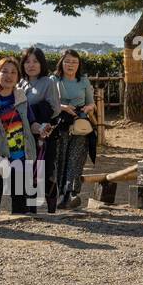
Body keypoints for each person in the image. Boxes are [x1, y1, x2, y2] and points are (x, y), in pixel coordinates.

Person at [0, 57, 39, 216]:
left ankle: (22, 230)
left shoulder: (21, 97)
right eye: (4, 71)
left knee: (20, 201)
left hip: (20, 155)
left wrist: (41, 129)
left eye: (14, 72)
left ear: (18, 77)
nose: (9, 75)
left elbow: (30, 122)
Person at [52, 49, 96, 209]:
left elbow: (92, 103)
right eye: (67, 61)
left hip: (80, 124)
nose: (71, 65)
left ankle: (71, 193)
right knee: (60, 160)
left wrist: (88, 108)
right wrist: (63, 107)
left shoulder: (83, 80)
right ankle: (59, 195)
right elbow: (49, 102)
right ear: (61, 63)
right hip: (60, 124)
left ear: (79, 64)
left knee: (76, 160)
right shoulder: (53, 80)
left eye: (74, 62)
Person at [21, 46, 61, 213]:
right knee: (28, 170)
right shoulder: (20, 83)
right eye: (27, 61)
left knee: (44, 169)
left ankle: (51, 205)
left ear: (42, 63)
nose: (31, 65)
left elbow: (56, 109)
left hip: (44, 133)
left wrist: (36, 113)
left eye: (35, 61)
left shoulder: (48, 82)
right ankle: (31, 209)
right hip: (24, 133)